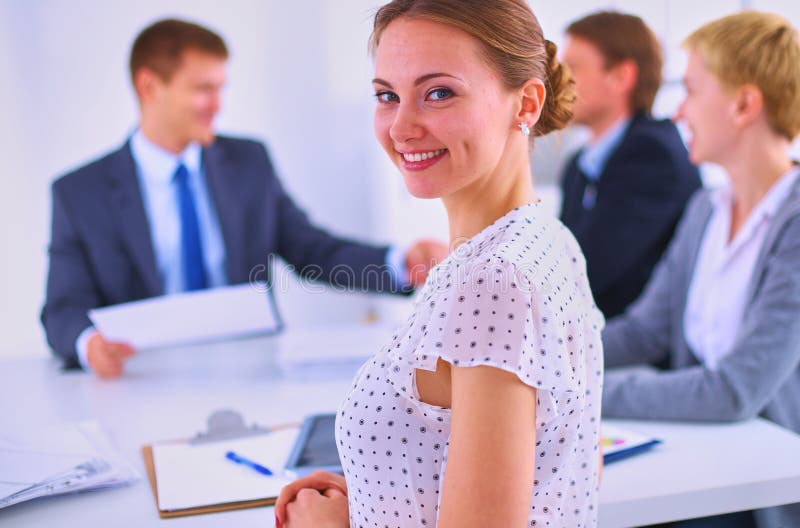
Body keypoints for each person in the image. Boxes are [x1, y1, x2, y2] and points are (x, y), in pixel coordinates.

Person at [274, 1, 604, 527]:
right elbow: (555, 473)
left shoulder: (493, 281)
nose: (401, 127)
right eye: (387, 96)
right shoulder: (549, 240)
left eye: (439, 93)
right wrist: (373, 494)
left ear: (526, 103)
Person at [40, 18, 447, 378]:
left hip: (249, 375)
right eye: (203, 89)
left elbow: (312, 251)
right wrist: (88, 343)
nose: (218, 105)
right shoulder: (80, 193)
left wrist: (399, 263)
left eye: (221, 88)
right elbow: (63, 308)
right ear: (149, 86)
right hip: (143, 380)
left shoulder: (248, 161)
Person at [601, 11, 800, 528]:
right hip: (714, 462)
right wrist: (547, 362)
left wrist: (581, 392)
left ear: (744, 105)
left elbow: (734, 390)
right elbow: (645, 329)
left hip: (765, 494)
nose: (679, 111)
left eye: (690, 90)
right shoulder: (706, 210)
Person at [559, 11, 701, 319]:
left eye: (572, 68)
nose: (558, 80)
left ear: (622, 76)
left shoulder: (652, 154)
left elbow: (584, 274)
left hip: (637, 351)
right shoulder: (578, 165)